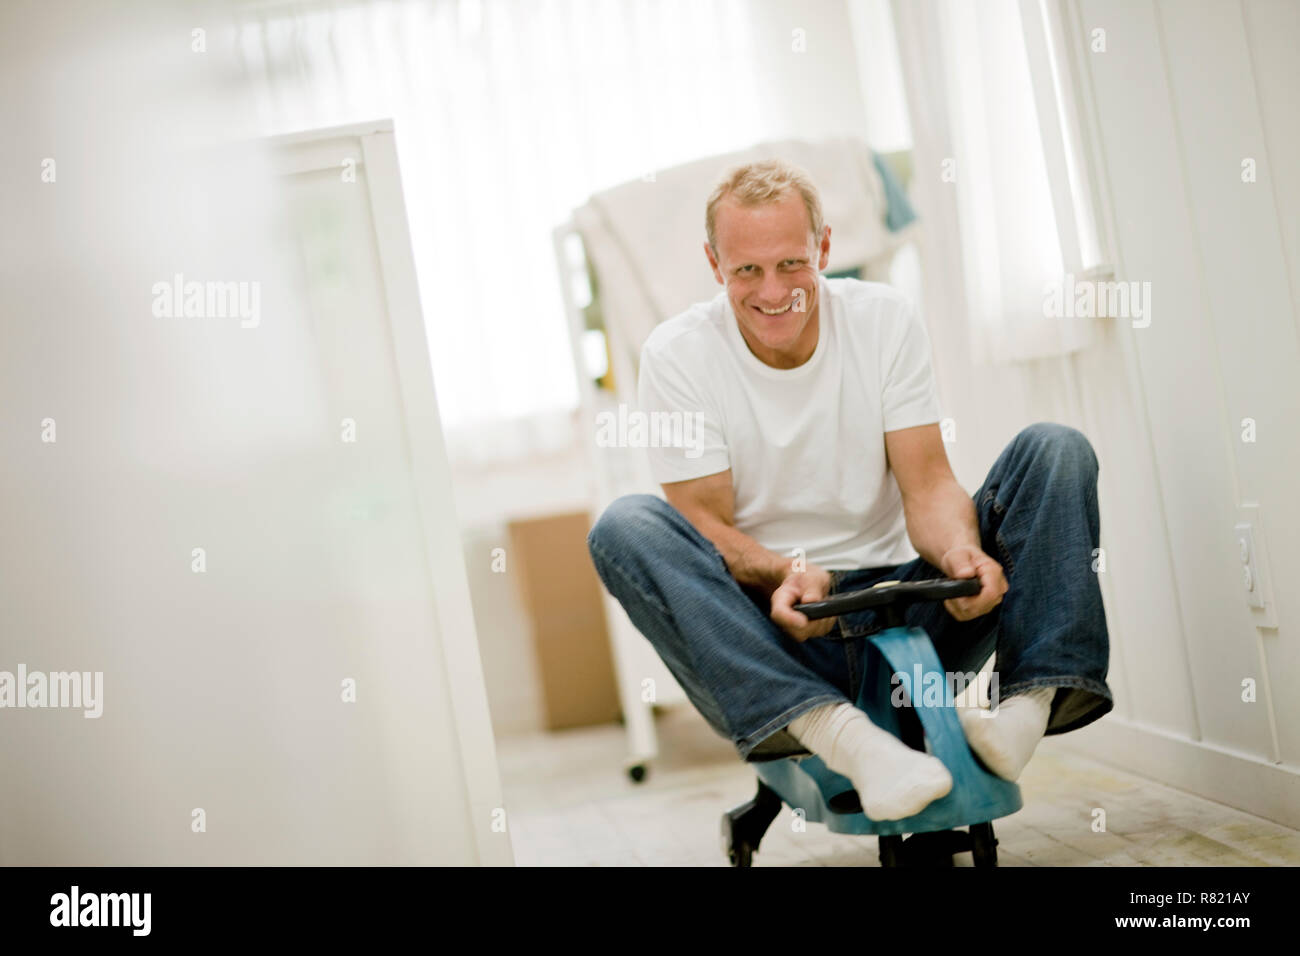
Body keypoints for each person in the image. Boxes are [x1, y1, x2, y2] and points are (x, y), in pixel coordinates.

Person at [586, 159, 1113, 821]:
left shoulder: (884, 319)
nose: (773, 290)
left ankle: (1021, 718)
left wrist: (960, 556)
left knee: (1056, 450)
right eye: (747, 269)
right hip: (781, 633)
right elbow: (705, 524)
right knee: (625, 525)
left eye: (791, 263)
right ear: (715, 265)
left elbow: (927, 484)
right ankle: (847, 740)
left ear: (825, 248)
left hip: (909, 603)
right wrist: (791, 571)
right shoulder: (677, 354)